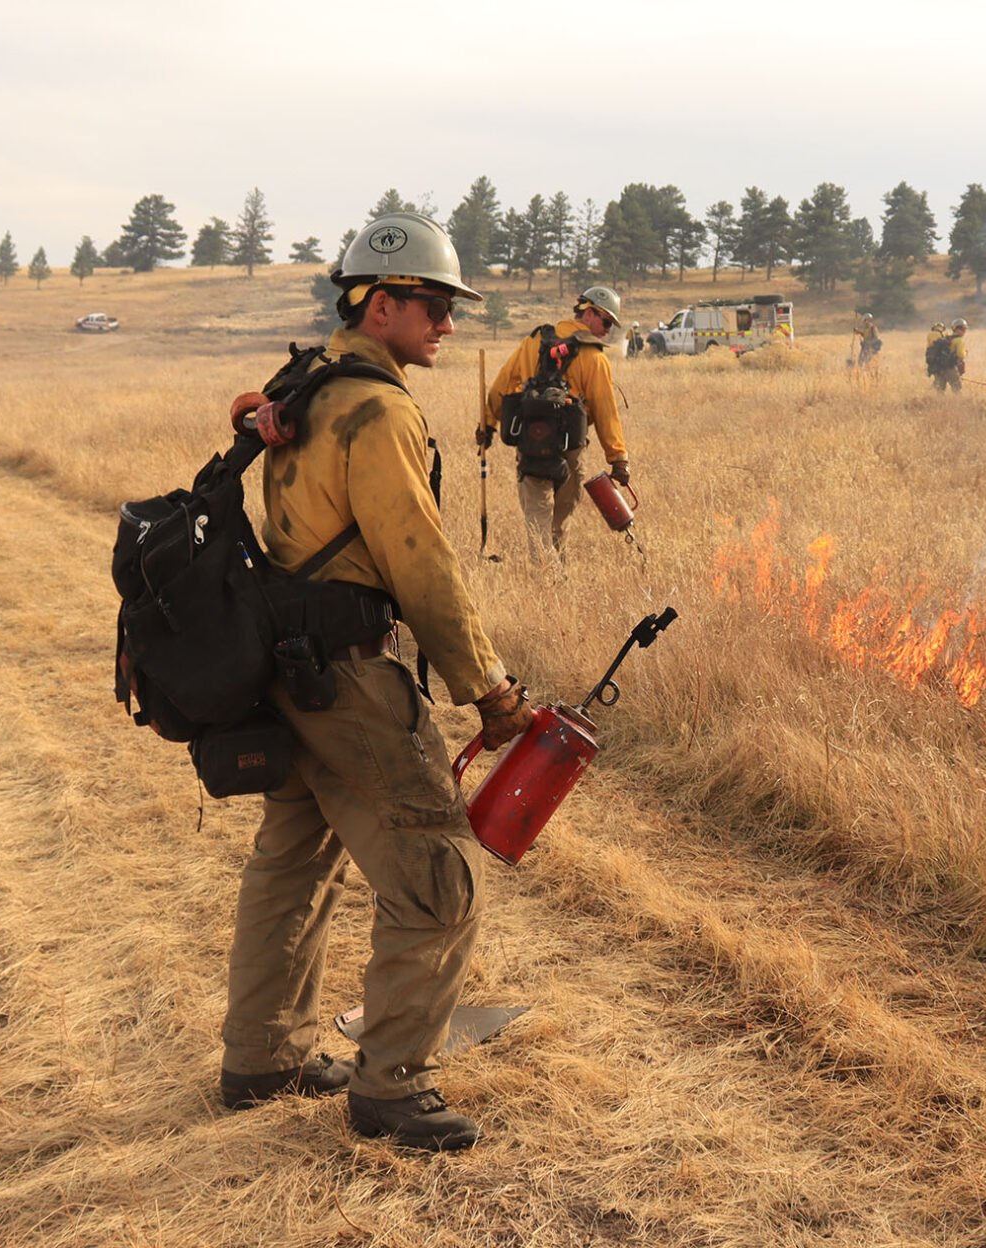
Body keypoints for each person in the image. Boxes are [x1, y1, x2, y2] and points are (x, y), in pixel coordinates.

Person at [219, 212, 535, 1152]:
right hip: (352, 679)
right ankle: (391, 1086)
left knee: (292, 863)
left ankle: (262, 1060)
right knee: (439, 876)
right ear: (382, 303)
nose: (447, 323)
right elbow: (420, 564)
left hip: (285, 674)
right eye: (434, 306)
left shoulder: (299, 384)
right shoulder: (379, 408)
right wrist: (489, 686)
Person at [477, 285, 630, 567]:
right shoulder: (595, 358)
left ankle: (546, 574)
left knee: (537, 513)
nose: (608, 330)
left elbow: (503, 384)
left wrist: (488, 423)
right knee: (560, 517)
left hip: (530, 445)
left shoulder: (534, 342)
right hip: (570, 450)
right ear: (589, 313)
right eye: (607, 321)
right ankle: (553, 574)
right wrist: (617, 457)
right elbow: (605, 411)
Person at [928, 319, 967, 392]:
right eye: (964, 329)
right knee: (957, 387)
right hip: (950, 367)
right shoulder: (959, 340)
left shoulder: (946, 338)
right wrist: (965, 353)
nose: (964, 331)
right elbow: (961, 355)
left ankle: (937, 403)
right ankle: (957, 403)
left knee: (940, 390)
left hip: (939, 367)